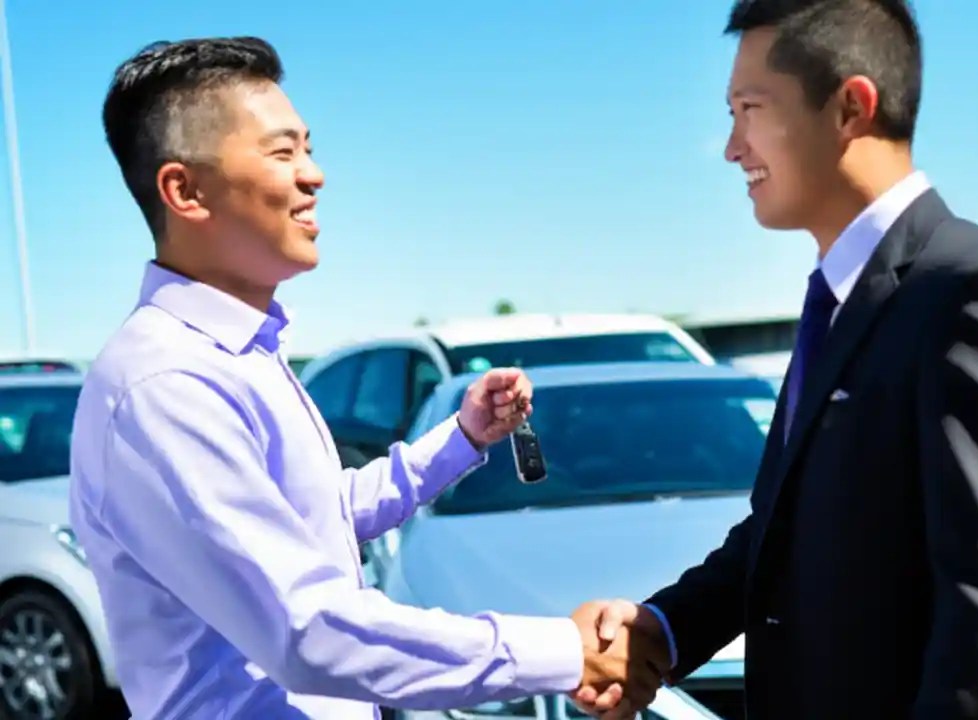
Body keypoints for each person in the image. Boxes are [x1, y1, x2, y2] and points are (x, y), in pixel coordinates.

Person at [69, 37, 663, 719]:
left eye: (308, 148)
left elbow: (317, 519)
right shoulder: (164, 383)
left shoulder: (239, 353)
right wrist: (565, 652)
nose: (313, 175)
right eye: (282, 152)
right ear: (185, 190)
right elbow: (306, 629)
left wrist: (463, 439)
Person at [573, 1, 978, 718]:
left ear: (851, 107)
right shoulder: (844, 300)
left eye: (750, 108)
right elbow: (786, 534)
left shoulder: (977, 293)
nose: (731, 146)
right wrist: (661, 629)